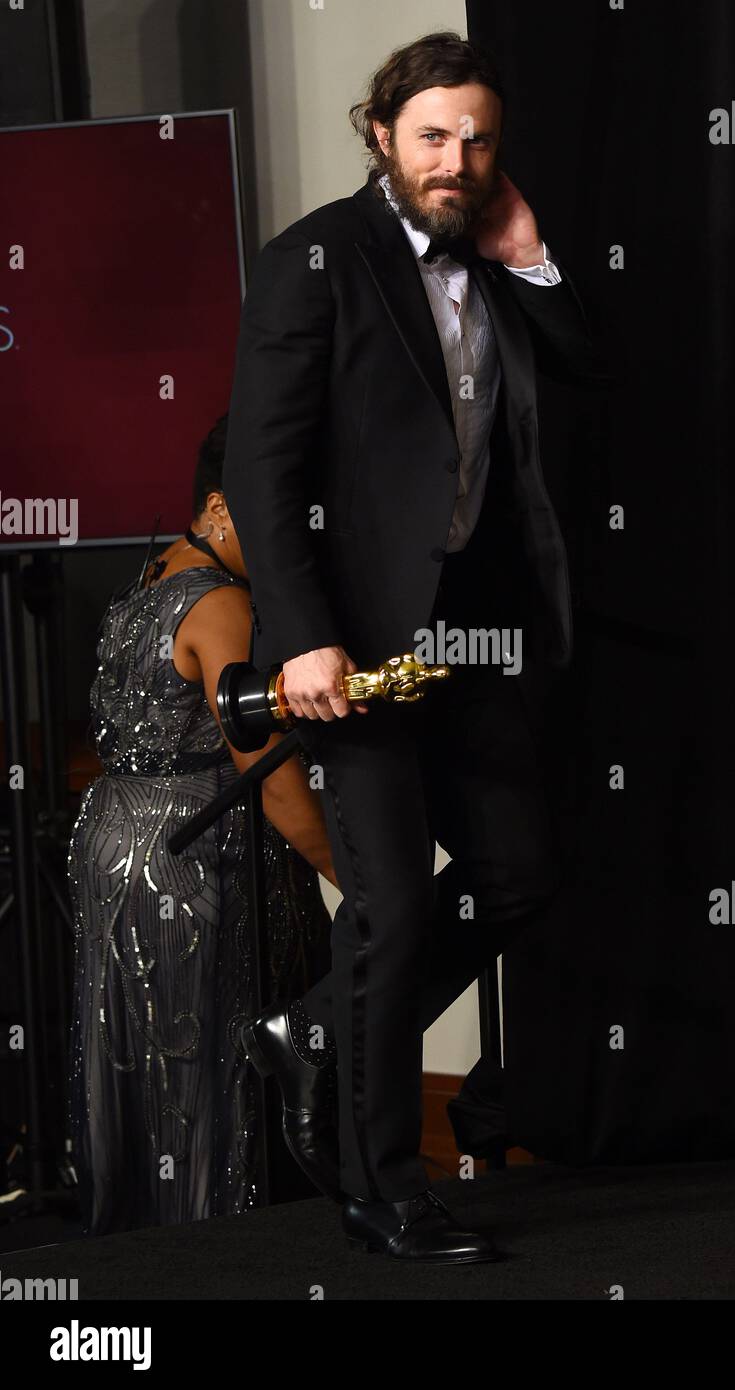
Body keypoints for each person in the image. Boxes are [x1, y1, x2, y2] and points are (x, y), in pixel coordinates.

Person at [224, 31, 606, 1263]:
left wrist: (534, 261)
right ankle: (382, 1184)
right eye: (434, 134)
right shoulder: (314, 261)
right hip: (355, 652)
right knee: (388, 907)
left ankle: (313, 1030)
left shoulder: (496, 257)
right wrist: (305, 642)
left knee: (519, 874)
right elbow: (263, 471)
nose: (458, 158)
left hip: (476, 640)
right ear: (379, 132)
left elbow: (590, 379)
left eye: (478, 137)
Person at [66, 414, 339, 1235]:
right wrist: (358, 882)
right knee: (213, 1068)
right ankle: (234, 1247)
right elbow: (274, 779)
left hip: (117, 846)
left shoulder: (142, 582)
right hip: (193, 867)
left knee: (150, 1071)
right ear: (220, 507)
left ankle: (154, 1250)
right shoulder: (219, 602)